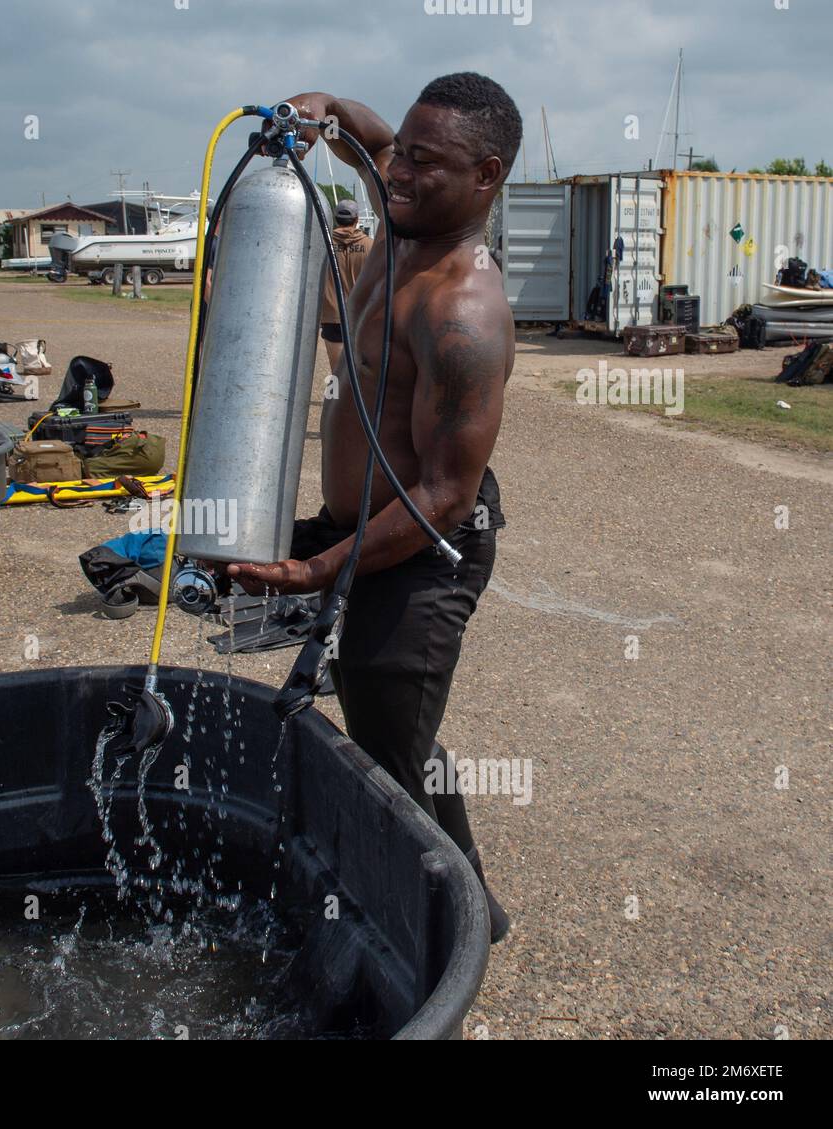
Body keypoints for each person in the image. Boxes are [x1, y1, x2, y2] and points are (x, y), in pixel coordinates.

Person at [226, 73, 520, 942]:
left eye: (426, 162)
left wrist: (317, 568)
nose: (396, 170)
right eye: (403, 152)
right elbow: (368, 134)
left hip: (431, 540)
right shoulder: (400, 208)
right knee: (221, 561)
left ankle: (467, 916)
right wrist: (320, 104)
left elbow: (443, 494)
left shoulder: (463, 309)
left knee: (390, 725)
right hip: (358, 518)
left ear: (485, 176)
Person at [319, 198, 374, 373]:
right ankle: (354, 399)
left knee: (335, 368)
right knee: (358, 369)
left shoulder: (324, 244)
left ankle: (333, 397)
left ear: (335, 218)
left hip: (332, 315)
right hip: (360, 314)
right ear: (357, 219)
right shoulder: (370, 246)